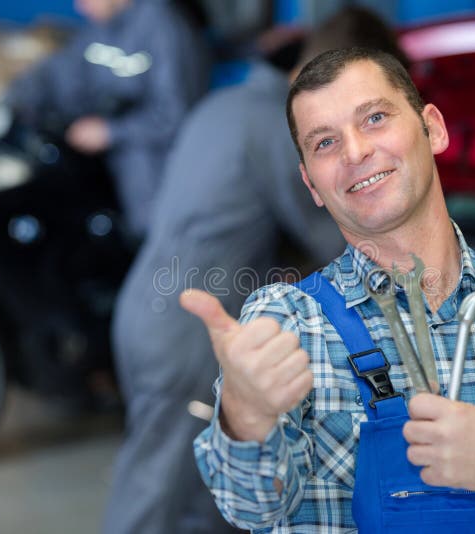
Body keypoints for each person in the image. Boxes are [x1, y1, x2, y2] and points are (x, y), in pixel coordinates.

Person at [182, 47, 475, 532]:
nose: (355, 151)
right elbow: (250, 506)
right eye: (324, 143)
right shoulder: (289, 323)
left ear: (433, 129)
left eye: (375, 118)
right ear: (312, 186)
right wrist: (244, 417)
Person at [104, 8, 408, 534]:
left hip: (144, 311)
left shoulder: (225, 103)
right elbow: (334, 239)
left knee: (206, 499)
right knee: (153, 499)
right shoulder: (273, 124)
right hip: (188, 334)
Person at [7, 0, 210, 238]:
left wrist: (111, 132)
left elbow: (177, 115)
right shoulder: (99, 28)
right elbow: (59, 74)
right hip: (109, 178)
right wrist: (15, 98)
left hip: (158, 182)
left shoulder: (164, 27)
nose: (80, 7)